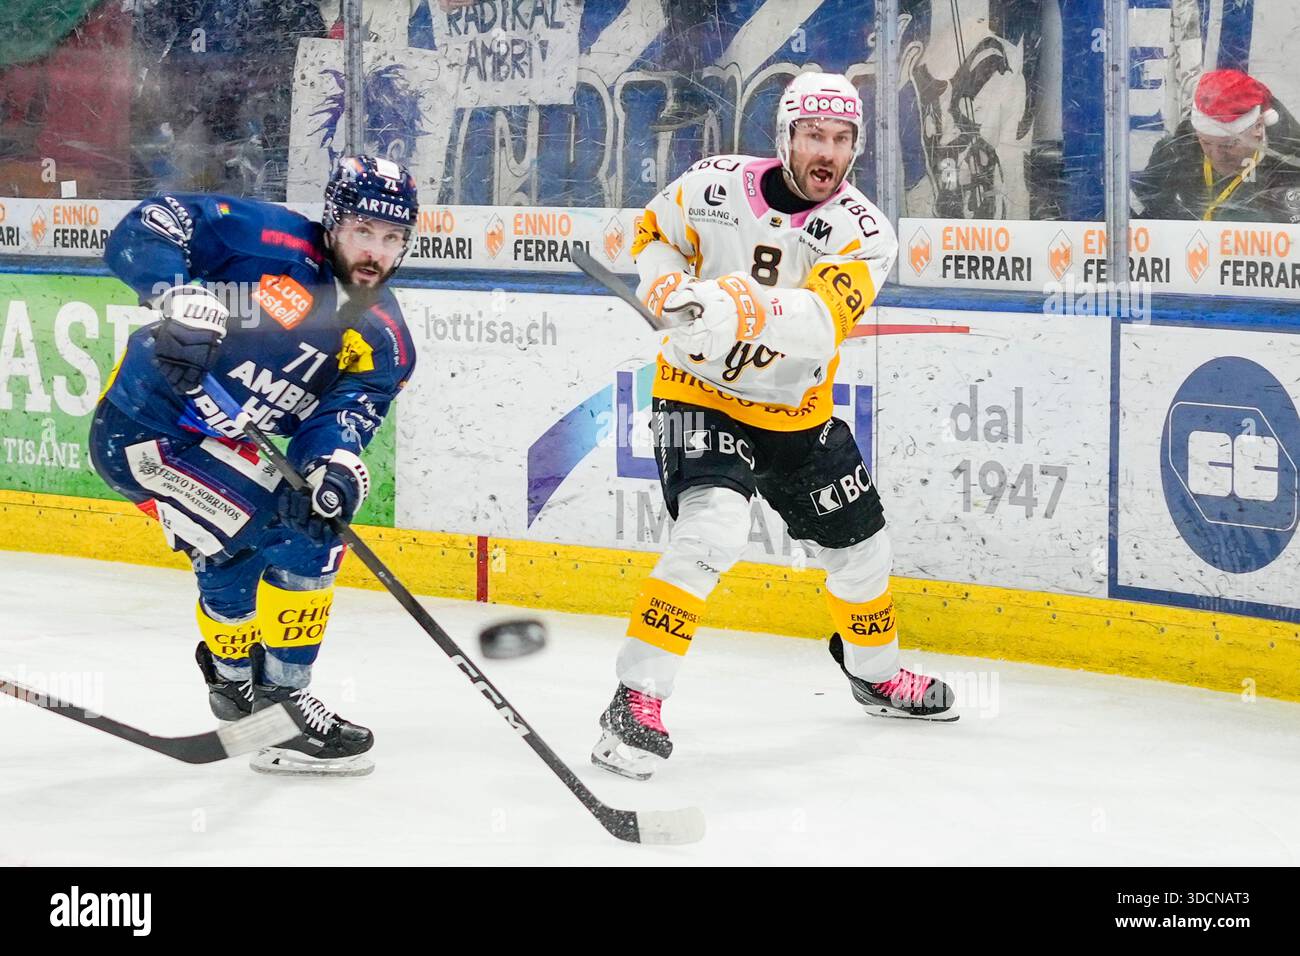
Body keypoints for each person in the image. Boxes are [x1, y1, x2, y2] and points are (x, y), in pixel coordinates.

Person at [592, 72, 957, 781]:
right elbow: (652, 234)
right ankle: (634, 700)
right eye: (814, 135)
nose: (828, 152)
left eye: (843, 139)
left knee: (861, 553)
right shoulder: (713, 185)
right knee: (710, 533)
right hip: (699, 395)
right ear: (785, 135)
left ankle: (874, 675)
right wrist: (665, 285)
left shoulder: (864, 232)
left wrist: (739, 307)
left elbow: (821, 325)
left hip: (796, 413)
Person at [90, 155, 419, 776]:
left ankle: (237, 685)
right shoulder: (265, 241)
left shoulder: (383, 336)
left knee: (306, 523)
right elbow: (148, 225)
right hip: (144, 434)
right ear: (333, 223)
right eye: (363, 231)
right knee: (285, 531)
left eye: (393, 237)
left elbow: (343, 419)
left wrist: (334, 469)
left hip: (224, 445)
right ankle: (278, 702)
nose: (377, 251)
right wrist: (178, 294)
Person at [1133, 68, 1300, 222]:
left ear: (1258, 127)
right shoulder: (1175, 153)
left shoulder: (1291, 165)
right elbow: (1150, 216)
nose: (1217, 156)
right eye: (1205, 142)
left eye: (1227, 145)